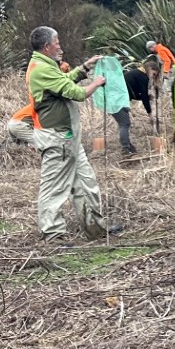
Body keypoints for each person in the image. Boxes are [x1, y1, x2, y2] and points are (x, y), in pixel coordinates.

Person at [25, 27, 111, 241]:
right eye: (57, 42)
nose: (60, 46)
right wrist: (96, 83)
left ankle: (95, 228)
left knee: (86, 182)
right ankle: (52, 233)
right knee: (54, 187)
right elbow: (77, 93)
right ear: (47, 47)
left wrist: (84, 68)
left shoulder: (46, 65)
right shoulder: (40, 69)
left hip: (68, 138)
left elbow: (65, 82)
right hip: (57, 138)